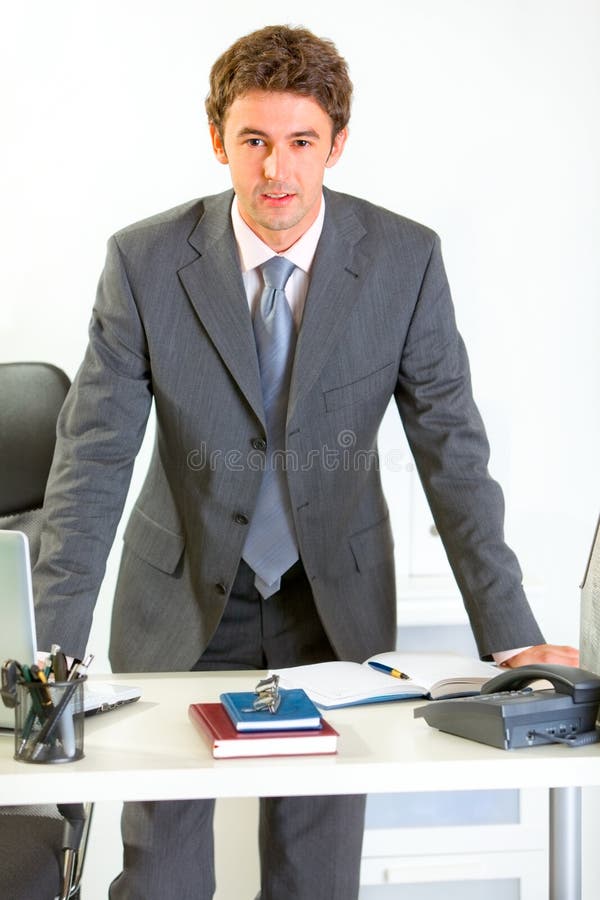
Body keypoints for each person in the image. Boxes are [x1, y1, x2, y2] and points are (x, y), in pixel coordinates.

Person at [33, 24, 578, 900]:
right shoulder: (143, 263)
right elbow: (92, 459)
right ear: (218, 139)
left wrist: (514, 639)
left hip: (332, 603)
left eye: (299, 143)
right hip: (180, 600)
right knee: (163, 875)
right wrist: (44, 655)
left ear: (337, 145)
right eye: (253, 141)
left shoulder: (403, 261)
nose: (275, 171)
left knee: (316, 877)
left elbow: (454, 453)